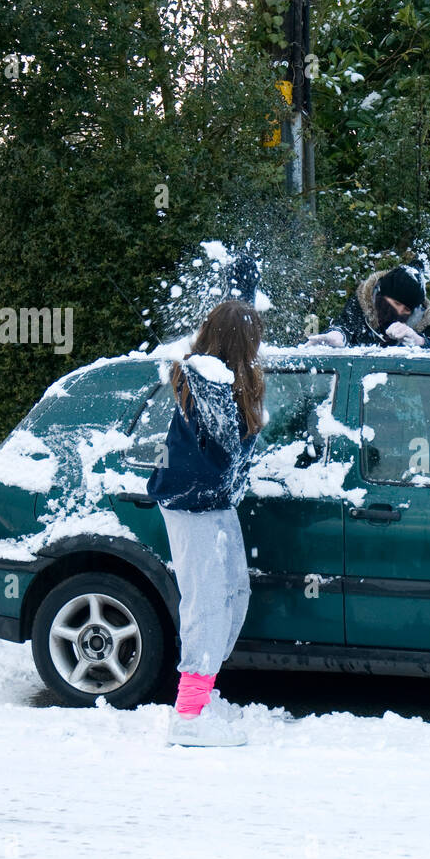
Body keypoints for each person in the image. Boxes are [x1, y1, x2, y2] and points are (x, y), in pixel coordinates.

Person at [147, 300, 266, 745]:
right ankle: (189, 717)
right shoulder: (205, 377)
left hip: (215, 502)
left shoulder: (227, 377)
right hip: (189, 504)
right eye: (253, 338)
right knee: (206, 603)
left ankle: (203, 691)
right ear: (238, 342)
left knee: (235, 591)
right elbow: (226, 440)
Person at [306, 264, 430, 347]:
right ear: (381, 297)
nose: (399, 312)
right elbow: (345, 326)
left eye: (406, 309)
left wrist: (419, 341)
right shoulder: (361, 306)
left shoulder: (418, 322)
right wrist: (337, 336)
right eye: (396, 304)